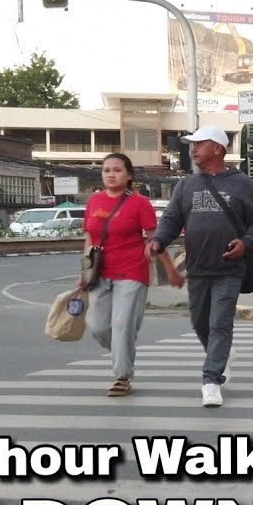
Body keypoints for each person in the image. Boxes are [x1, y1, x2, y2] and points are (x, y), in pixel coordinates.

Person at [148, 126, 253, 408]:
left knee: (219, 323)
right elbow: (171, 220)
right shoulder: (186, 185)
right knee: (200, 322)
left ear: (217, 148)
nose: (192, 149)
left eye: (198, 144)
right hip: (198, 267)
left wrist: (246, 243)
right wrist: (158, 241)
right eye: (192, 144)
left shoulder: (241, 183)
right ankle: (223, 355)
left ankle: (212, 380)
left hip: (229, 268)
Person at [79, 153, 162, 398]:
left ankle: (123, 376)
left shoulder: (140, 203)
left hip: (132, 269)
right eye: (107, 170)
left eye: (117, 170)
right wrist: (83, 272)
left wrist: (155, 251)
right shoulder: (94, 202)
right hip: (99, 271)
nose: (111, 174)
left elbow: (153, 236)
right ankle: (122, 347)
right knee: (97, 325)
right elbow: (89, 238)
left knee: (122, 323)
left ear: (128, 175)